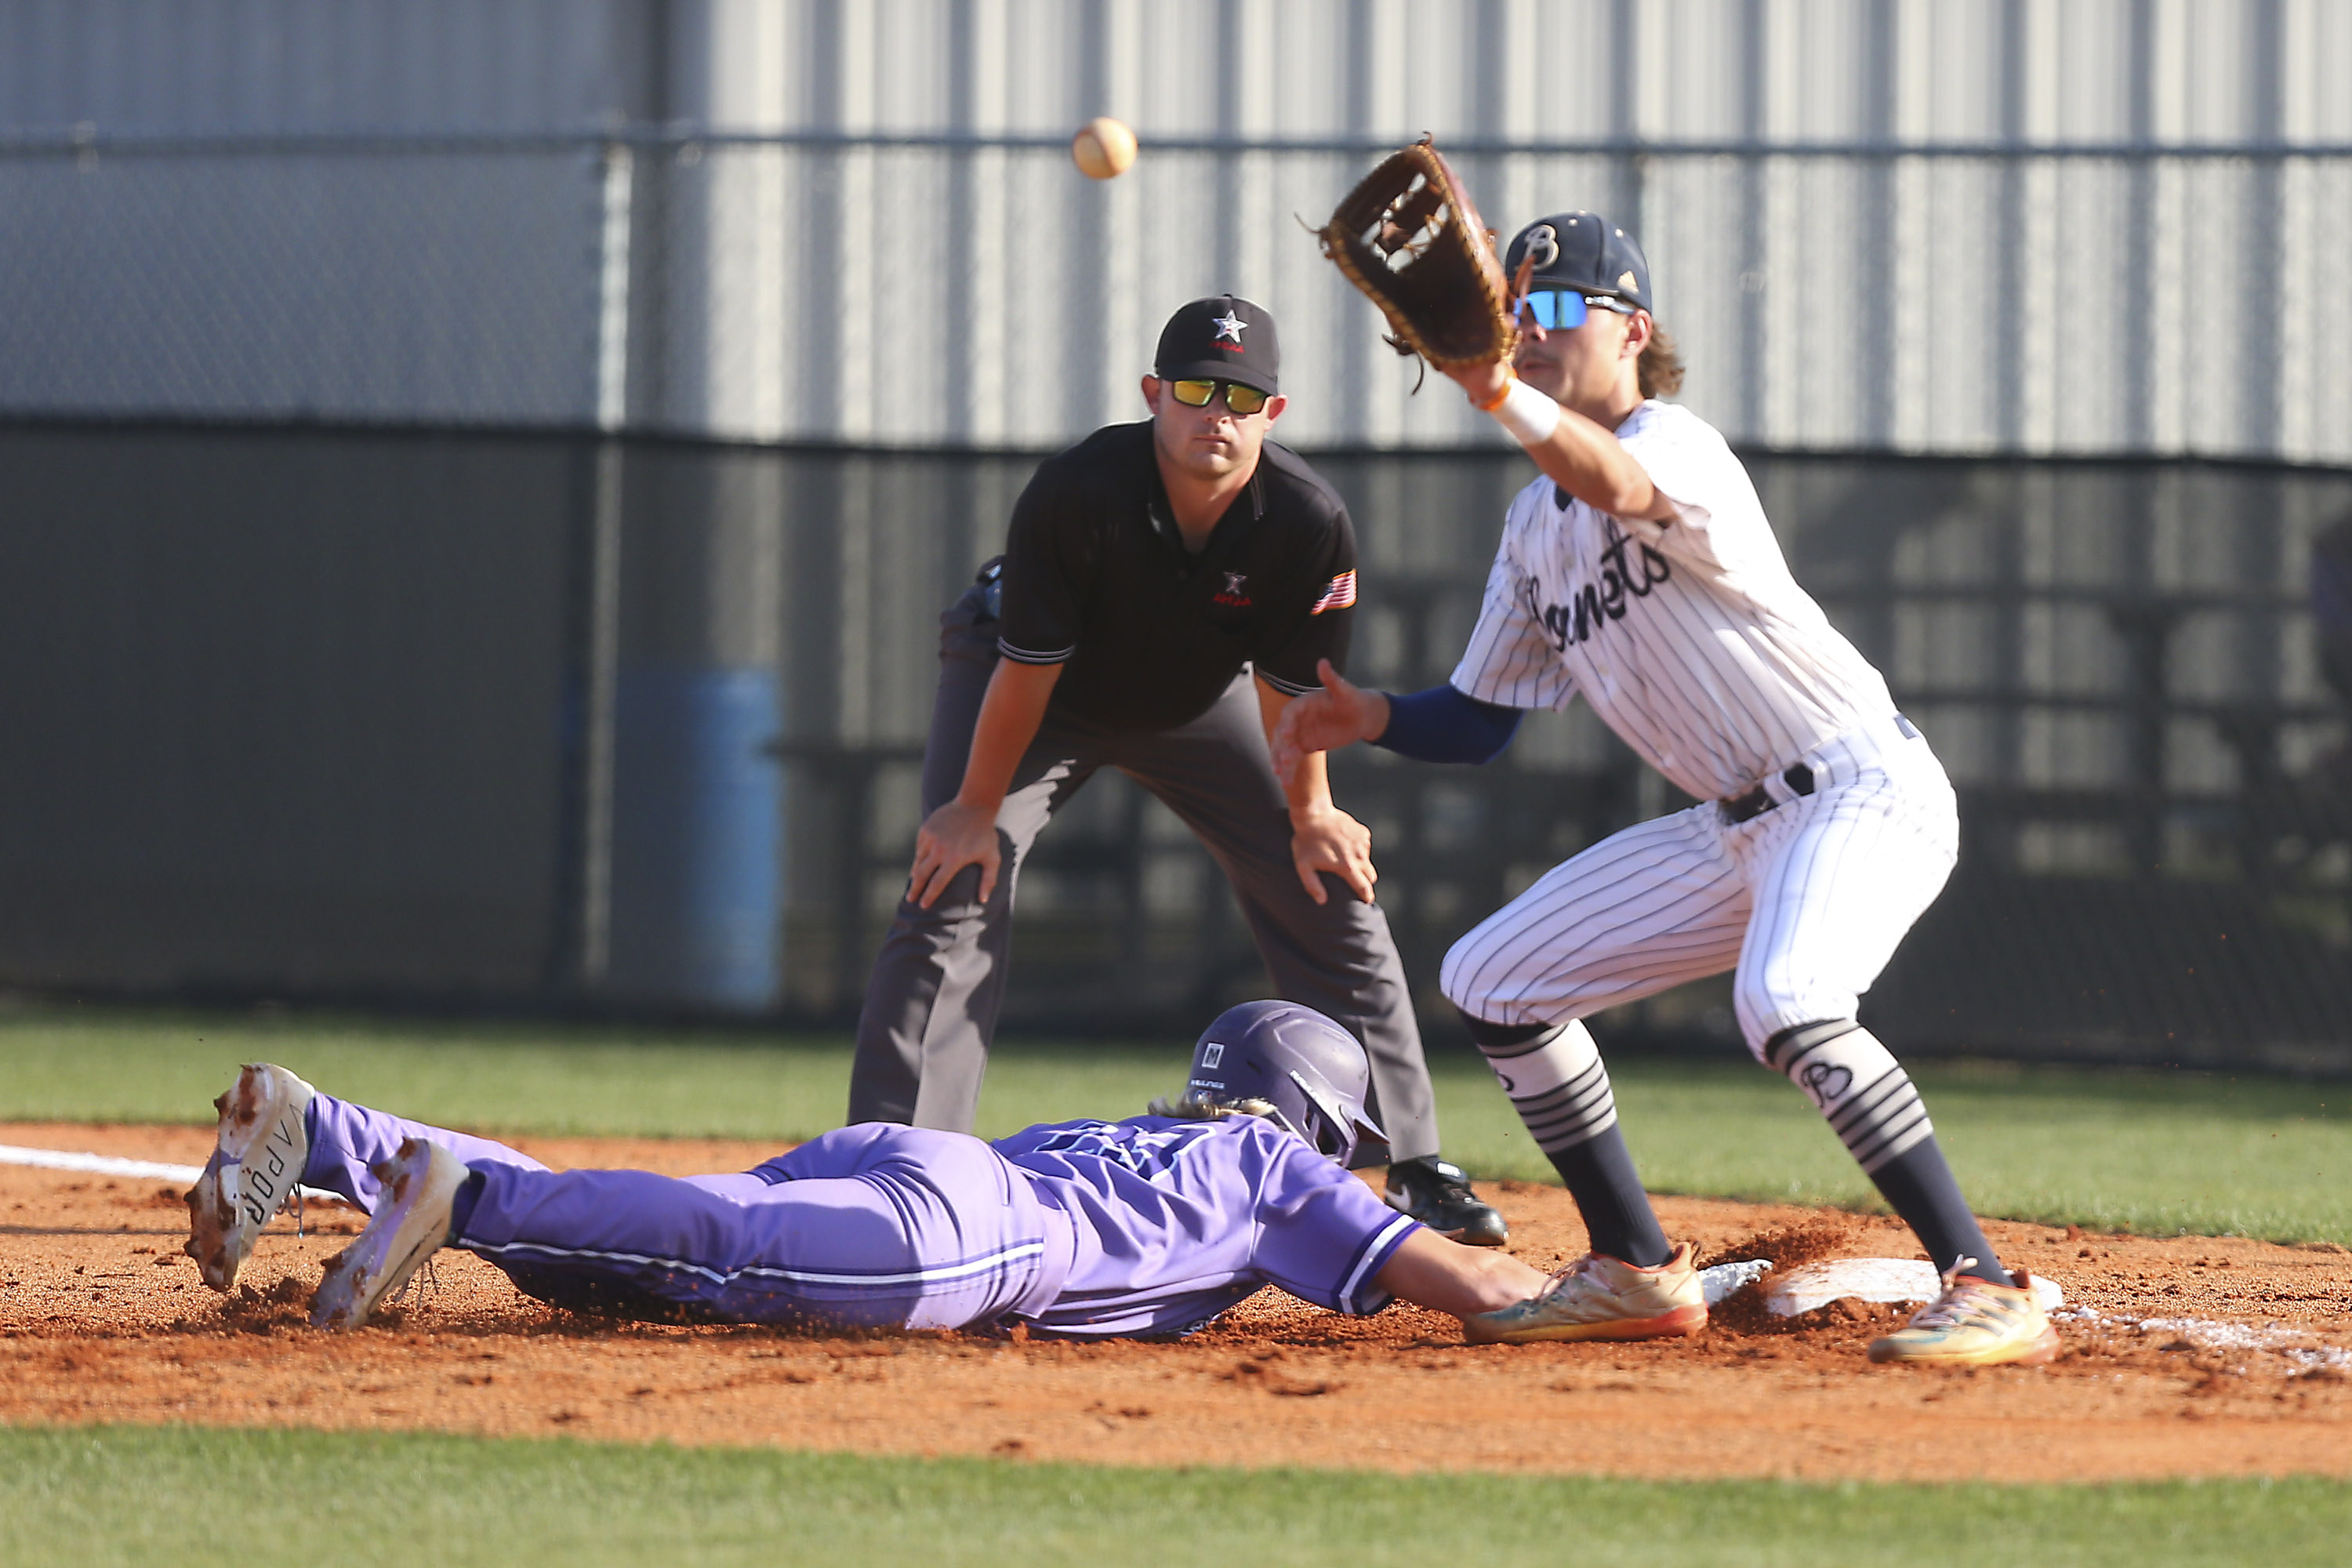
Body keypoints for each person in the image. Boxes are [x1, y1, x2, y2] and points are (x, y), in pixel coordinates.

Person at [1272, 212, 2059, 1367]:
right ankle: (1633, 1267)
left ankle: (1987, 1283)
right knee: (1494, 978)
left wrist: (1495, 392)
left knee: (1787, 1002)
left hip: (1857, 787)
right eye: (1510, 315)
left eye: (1551, 310)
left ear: (1633, 329)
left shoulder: (1672, 443)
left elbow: (1618, 481)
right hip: (1732, 826)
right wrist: (1373, 717)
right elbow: (1486, 719)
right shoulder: (1533, 522)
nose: (1524, 335)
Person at [848, 293, 1503, 1244]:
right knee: (957, 875)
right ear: (1154, 393)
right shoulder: (1079, 492)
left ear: (1273, 414)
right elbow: (1028, 674)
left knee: (1327, 875)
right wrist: (975, 808)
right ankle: (898, 1165)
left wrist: (1311, 809)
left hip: (1197, 699)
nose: (1218, 412)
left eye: (1243, 394)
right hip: (1035, 689)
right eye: (1197, 387)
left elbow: (1293, 688)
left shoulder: (1307, 519)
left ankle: (1408, 1162)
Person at [181, 1003, 1548, 1340]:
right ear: (1316, 1117)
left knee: (657, 1259)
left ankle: (338, 1135)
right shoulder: (1273, 1163)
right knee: (700, 1247)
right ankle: (467, 1200)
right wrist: (1624, 1279)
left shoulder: (1142, 1133)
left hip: (931, 1155)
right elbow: (1476, 1286)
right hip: (982, 1231)